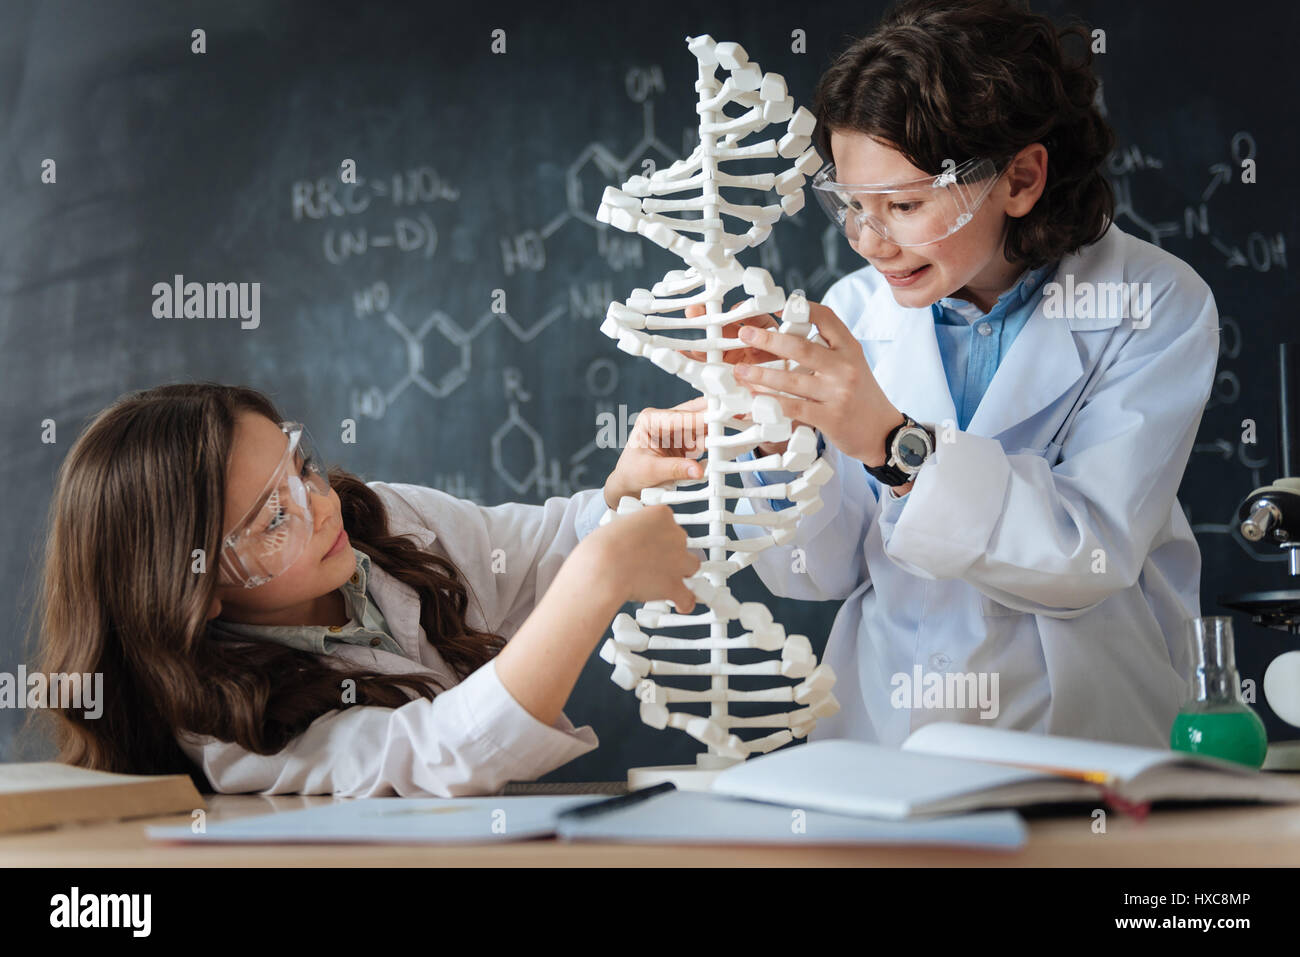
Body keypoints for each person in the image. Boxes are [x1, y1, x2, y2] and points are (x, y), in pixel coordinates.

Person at [715, 0, 1220, 747]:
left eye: (906, 204)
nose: (869, 241)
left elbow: (1088, 552)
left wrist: (892, 444)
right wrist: (776, 442)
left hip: (1078, 739)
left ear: (1020, 178)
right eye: (851, 206)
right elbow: (812, 573)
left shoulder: (1152, 302)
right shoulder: (856, 311)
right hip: (884, 735)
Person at [32, 382, 706, 796]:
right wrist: (599, 574)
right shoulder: (232, 731)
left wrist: (622, 493)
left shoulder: (374, 522)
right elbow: (441, 755)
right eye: (273, 518)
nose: (320, 506)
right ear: (197, 591)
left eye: (302, 467)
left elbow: (530, 554)